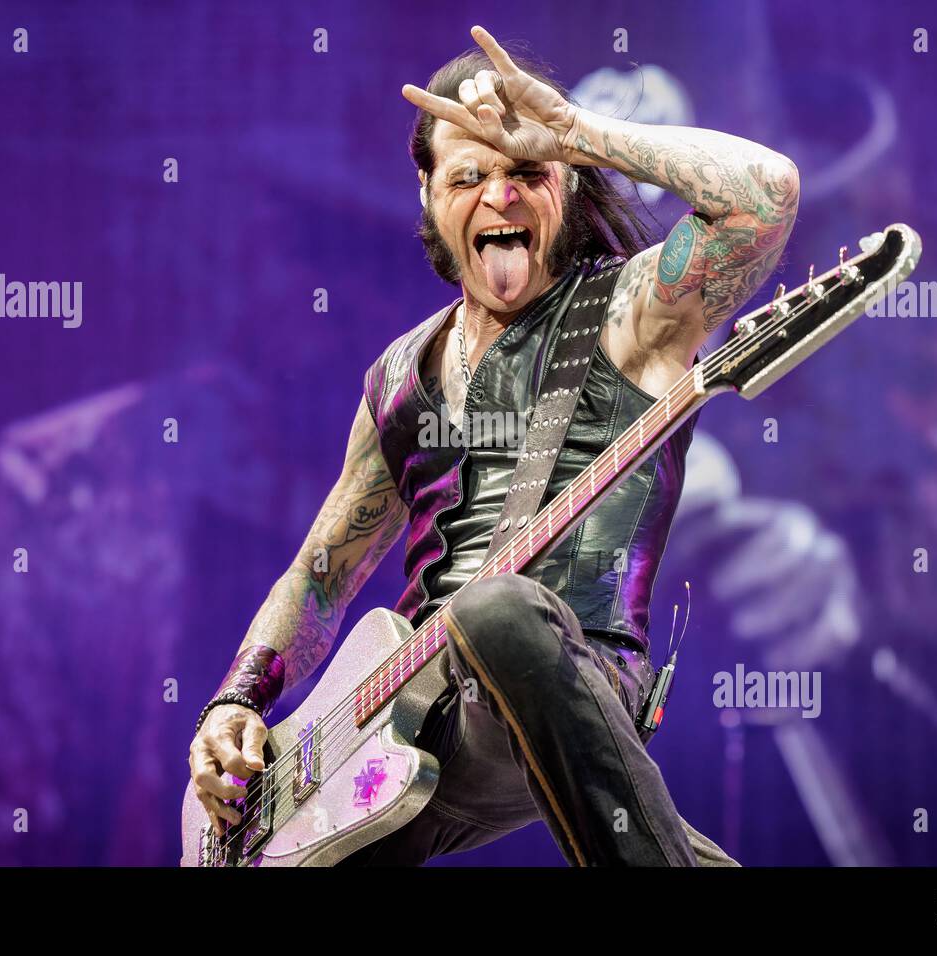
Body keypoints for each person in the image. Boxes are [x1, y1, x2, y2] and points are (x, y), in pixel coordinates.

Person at [188, 25, 799, 866]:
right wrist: (234, 702)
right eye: (469, 175)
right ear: (429, 196)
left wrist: (574, 132)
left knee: (495, 608)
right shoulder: (398, 376)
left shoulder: (630, 314)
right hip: (399, 721)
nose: (500, 197)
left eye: (526, 172)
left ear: (569, 188)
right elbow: (321, 573)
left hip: (568, 670)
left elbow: (765, 193)